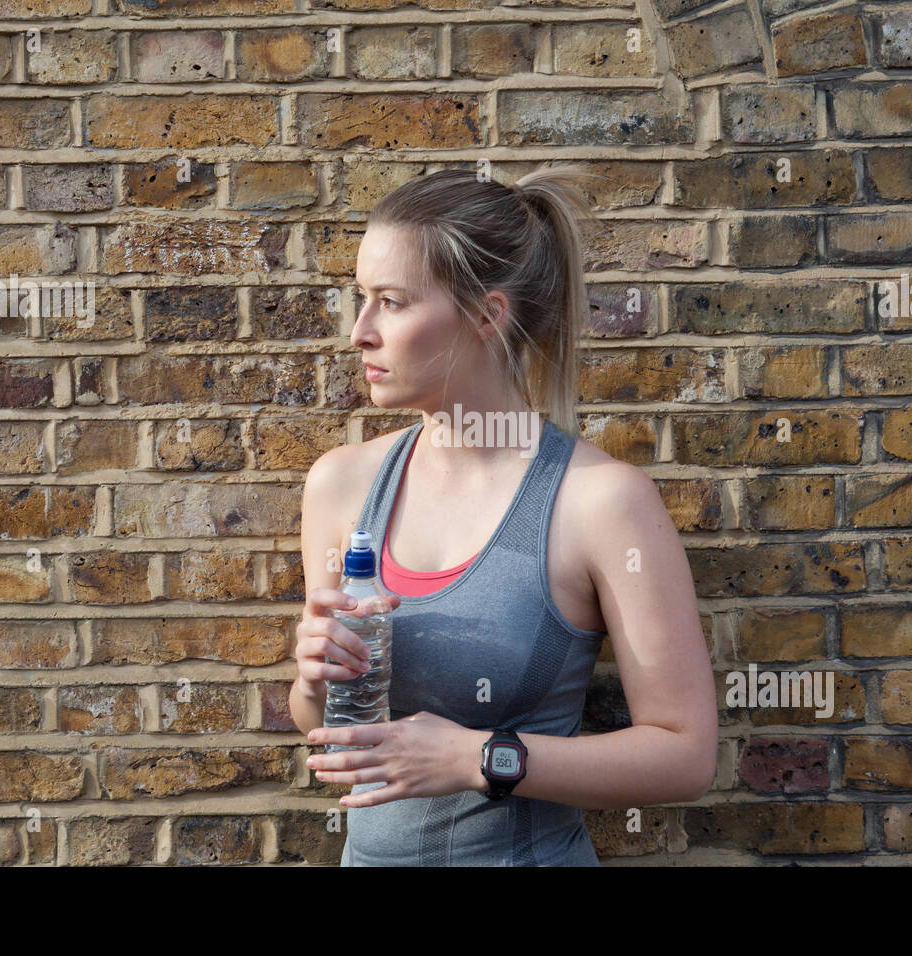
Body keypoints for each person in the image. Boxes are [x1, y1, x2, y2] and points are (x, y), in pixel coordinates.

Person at [289, 166, 718, 866]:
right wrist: (312, 680)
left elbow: (685, 756)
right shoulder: (341, 485)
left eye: (391, 303)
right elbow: (328, 728)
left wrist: (479, 758)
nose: (359, 332)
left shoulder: (601, 502)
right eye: (360, 299)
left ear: (488, 316)